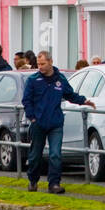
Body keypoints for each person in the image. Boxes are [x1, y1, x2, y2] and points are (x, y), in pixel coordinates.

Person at [22, 50, 94, 194]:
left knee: (55, 154)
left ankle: (54, 183)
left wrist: (84, 101)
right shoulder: (33, 80)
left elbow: (70, 95)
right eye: (38, 64)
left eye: (43, 64)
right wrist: (32, 117)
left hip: (55, 122)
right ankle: (33, 180)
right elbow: (26, 100)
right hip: (38, 122)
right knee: (35, 155)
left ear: (50, 62)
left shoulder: (60, 79)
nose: (40, 67)